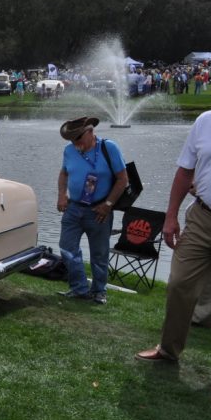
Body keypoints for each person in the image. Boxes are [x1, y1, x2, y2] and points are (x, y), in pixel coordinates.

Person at [136, 108, 211, 368]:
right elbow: (185, 172)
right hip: (202, 216)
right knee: (179, 284)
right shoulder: (206, 121)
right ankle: (169, 349)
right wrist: (170, 217)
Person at [56, 116, 128, 305]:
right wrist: (62, 195)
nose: (75, 143)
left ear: (90, 132)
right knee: (66, 247)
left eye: (78, 138)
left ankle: (99, 291)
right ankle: (79, 288)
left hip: (99, 210)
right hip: (73, 208)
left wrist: (108, 205)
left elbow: (122, 179)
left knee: (99, 253)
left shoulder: (109, 148)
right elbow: (64, 173)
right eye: (72, 140)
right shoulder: (69, 150)